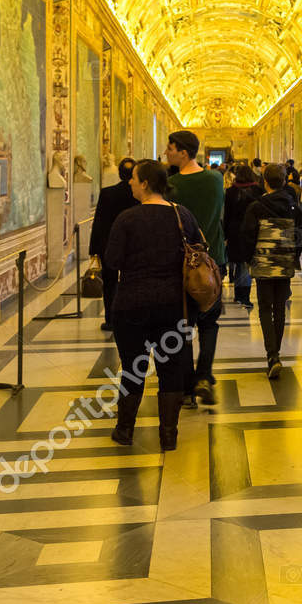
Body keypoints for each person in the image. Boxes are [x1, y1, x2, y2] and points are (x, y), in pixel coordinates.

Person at [102, 160, 201, 451]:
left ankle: (125, 430)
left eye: (133, 178)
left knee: (133, 367)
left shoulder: (127, 219)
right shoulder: (182, 215)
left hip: (132, 305)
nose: (130, 182)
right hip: (173, 305)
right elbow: (198, 250)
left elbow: (113, 261)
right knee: (171, 369)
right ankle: (168, 435)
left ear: (145, 183)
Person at [163, 129, 225, 408]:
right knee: (210, 323)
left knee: (184, 326)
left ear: (183, 152)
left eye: (170, 148)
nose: (166, 152)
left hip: (183, 265)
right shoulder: (215, 179)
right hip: (213, 262)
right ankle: (204, 376)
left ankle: (187, 388)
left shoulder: (172, 185)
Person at [241, 164, 302, 378]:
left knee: (265, 309)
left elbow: (248, 236)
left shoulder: (256, 206)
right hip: (285, 262)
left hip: (264, 262)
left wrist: (250, 258)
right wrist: (294, 254)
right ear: (285, 181)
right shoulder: (293, 206)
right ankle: (275, 354)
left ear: (264, 181)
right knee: (279, 308)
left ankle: (273, 355)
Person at [88, 157, 137, 332]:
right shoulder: (138, 193)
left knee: (109, 283)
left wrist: (93, 249)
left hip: (109, 245)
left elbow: (99, 222)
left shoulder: (107, 193)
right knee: (131, 281)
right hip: (134, 246)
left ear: (119, 173)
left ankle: (110, 318)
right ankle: (131, 316)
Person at [224, 164, 262, 308]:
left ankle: (238, 295)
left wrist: (225, 234)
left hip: (234, 230)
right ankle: (244, 297)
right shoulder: (257, 191)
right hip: (251, 230)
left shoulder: (231, 191)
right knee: (245, 264)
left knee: (238, 263)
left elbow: (227, 214)